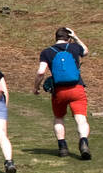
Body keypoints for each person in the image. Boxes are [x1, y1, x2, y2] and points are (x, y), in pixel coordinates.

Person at [33, 27, 91, 159]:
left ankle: (62, 147)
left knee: (59, 118)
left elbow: (41, 72)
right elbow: (86, 51)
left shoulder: (47, 52)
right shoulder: (74, 47)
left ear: (56, 37)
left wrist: (36, 87)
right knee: (80, 118)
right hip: (77, 88)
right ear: (68, 37)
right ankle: (83, 142)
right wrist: (76, 37)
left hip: (59, 91)